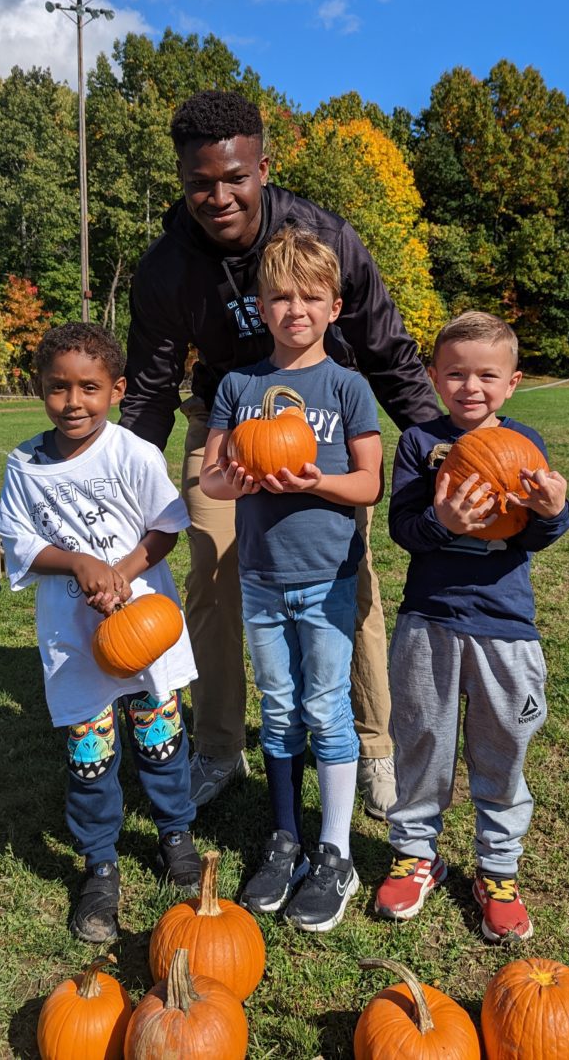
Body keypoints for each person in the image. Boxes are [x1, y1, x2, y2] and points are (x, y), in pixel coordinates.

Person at [120, 89, 439, 818]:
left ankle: (375, 746)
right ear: (183, 179)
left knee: (344, 580)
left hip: (323, 419)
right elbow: (148, 393)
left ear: (263, 165)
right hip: (225, 426)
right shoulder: (167, 267)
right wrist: (122, 480)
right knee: (212, 573)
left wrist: (434, 443)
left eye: (235, 176)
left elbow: (387, 350)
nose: (219, 195)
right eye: (201, 182)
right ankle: (219, 742)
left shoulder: (323, 235)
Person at [200, 226, 383, 931]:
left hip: (327, 577)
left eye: (310, 297)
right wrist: (236, 478)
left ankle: (335, 850)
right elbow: (216, 474)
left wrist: (318, 481)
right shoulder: (241, 386)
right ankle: (284, 839)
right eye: (280, 296)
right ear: (259, 305)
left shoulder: (346, 385)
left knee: (327, 707)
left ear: (334, 306)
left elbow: (369, 481)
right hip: (261, 578)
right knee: (278, 708)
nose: (295, 309)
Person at [0, 323, 201, 944]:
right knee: (91, 756)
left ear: (117, 389)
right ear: (40, 389)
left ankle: (175, 833)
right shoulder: (24, 464)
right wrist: (78, 563)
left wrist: (122, 573)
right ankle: (100, 863)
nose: (73, 401)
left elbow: (167, 525)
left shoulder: (131, 452)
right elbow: (18, 543)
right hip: (75, 640)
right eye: (59, 388)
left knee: (160, 737)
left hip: (145, 629)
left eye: (89, 387)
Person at [374, 311, 569, 943]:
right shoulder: (418, 443)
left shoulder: (525, 442)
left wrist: (554, 511)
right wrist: (443, 524)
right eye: (455, 374)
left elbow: (538, 533)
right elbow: (402, 529)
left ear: (512, 382)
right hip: (428, 620)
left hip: (505, 625)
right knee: (422, 741)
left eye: (487, 375)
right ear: (434, 377)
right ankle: (415, 853)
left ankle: (498, 867)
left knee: (503, 749)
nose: (470, 388)